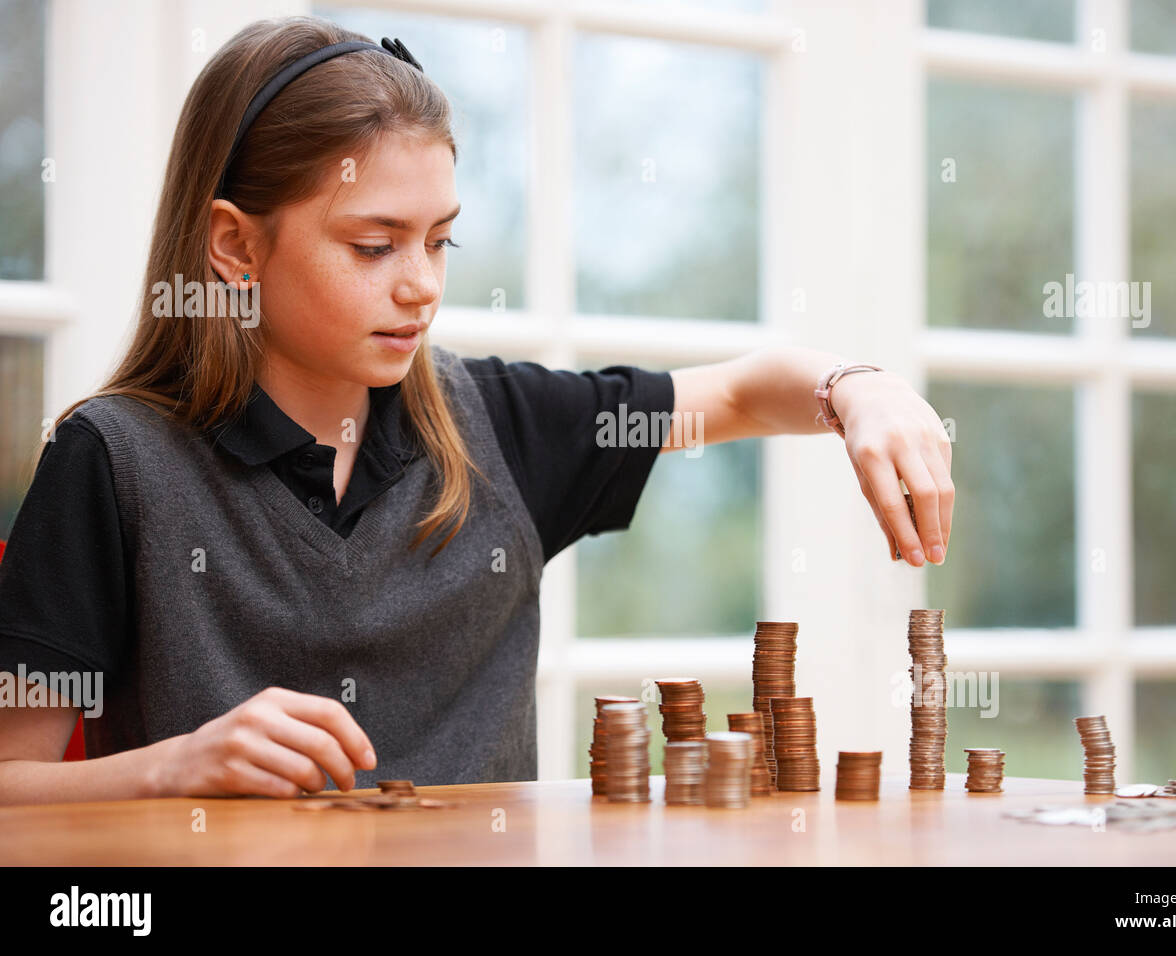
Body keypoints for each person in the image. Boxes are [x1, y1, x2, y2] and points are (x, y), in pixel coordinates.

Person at [0, 15, 953, 805]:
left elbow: (744, 392)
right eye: (374, 246)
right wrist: (173, 768)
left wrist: (855, 389)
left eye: (440, 241)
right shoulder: (112, 461)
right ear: (234, 247)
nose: (420, 286)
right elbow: (12, 788)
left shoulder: (497, 423)